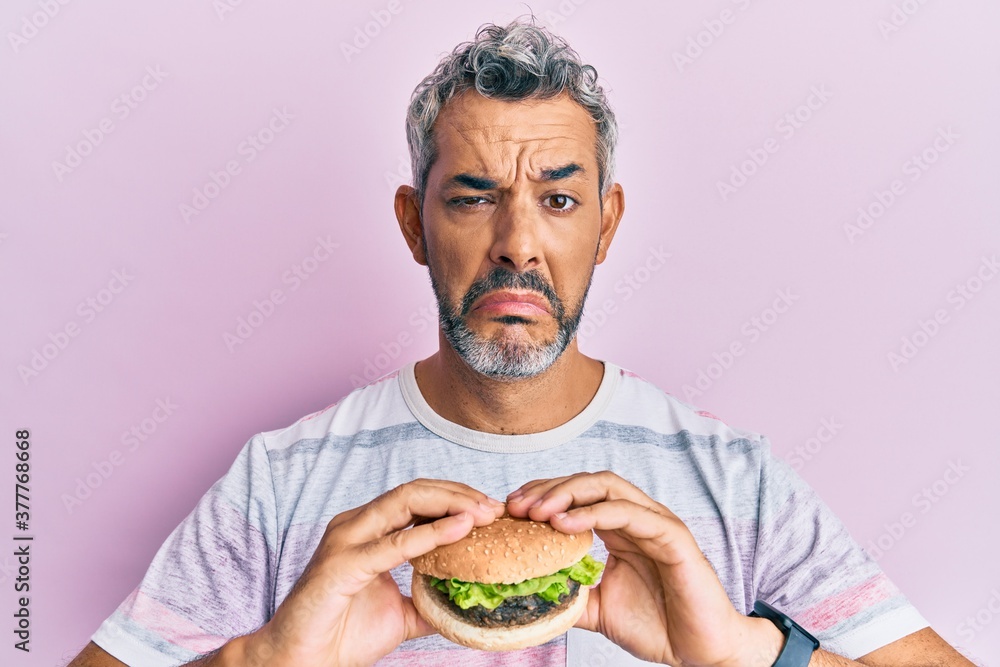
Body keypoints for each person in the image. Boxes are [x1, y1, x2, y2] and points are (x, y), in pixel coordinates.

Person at [71, 18, 973, 667]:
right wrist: (260, 664)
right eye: (470, 196)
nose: (517, 242)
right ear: (413, 224)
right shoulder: (281, 482)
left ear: (607, 225)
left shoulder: (732, 480)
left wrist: (749, 655)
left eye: (559, 198)